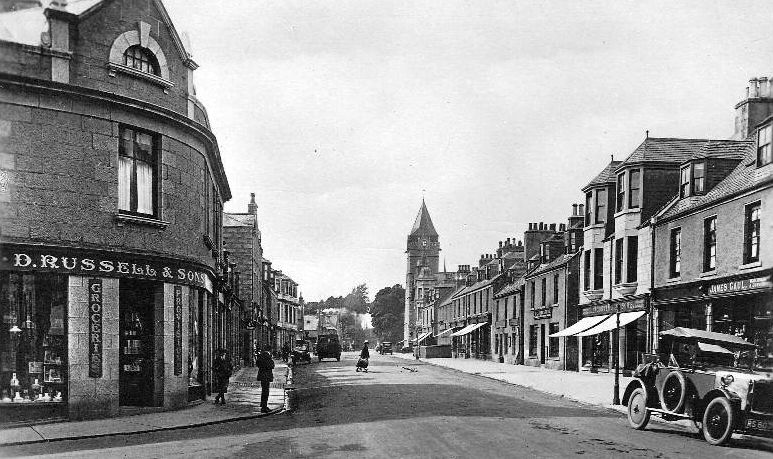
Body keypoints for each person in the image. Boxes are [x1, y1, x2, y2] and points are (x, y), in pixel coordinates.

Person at [256, 345, 275, 413]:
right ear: (270, 350)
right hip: (266, 376)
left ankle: (263, 405)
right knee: (266, 392)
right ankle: (264, 407)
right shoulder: (267, 356)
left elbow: (257, 363)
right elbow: (272, 365)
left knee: (264, 391)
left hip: (262, 375)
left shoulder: (261, 355)